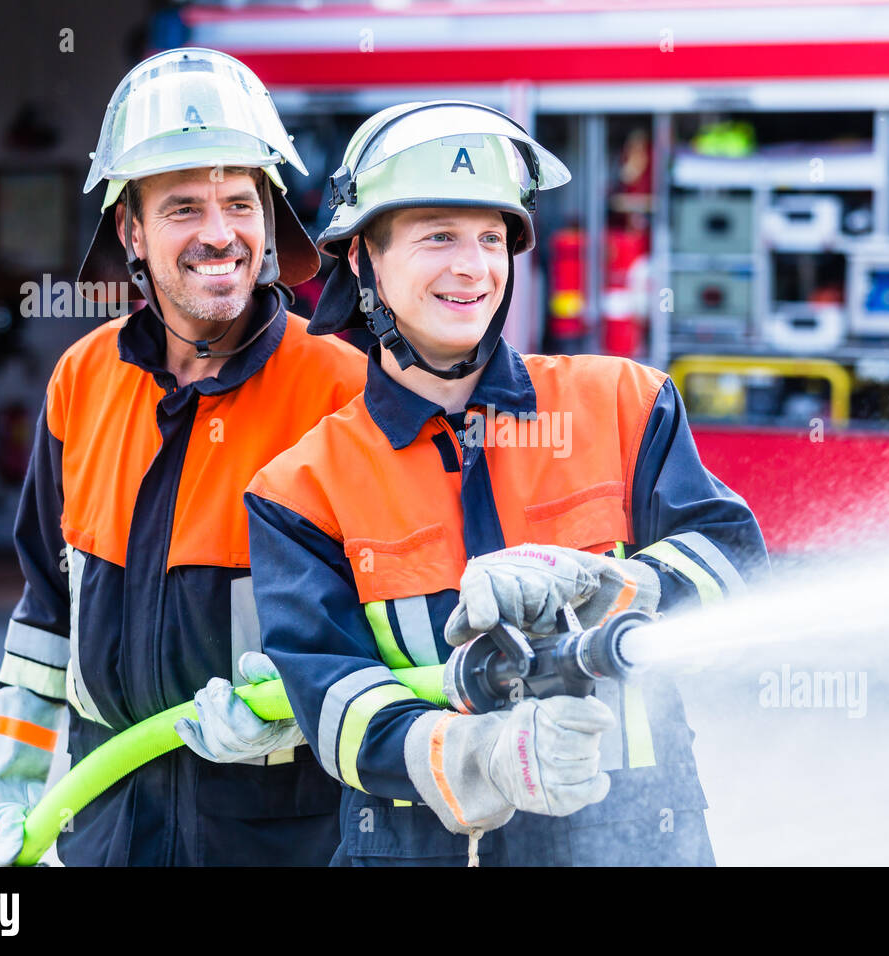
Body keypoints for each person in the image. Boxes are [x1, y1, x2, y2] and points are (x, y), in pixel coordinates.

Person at [244, 101, 771, 866]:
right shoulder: (302, 488)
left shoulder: (625, 405)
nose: (473, 267)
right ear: (362, 260)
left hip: (635, 842)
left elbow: (735, 565)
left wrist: (603, 584)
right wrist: (480, 756)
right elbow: (335, 703)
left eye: (492, 238)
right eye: (437, 236)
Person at [0, 48, 366, 866]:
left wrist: (301, 701)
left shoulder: (344, 394)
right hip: (105, 829)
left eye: (240, 203)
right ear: (130, 229)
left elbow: (392, 637)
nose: (220, 235)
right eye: (183, 206)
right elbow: (44, 619)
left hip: (286, 840)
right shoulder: (82, 379)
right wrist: (5, 788)